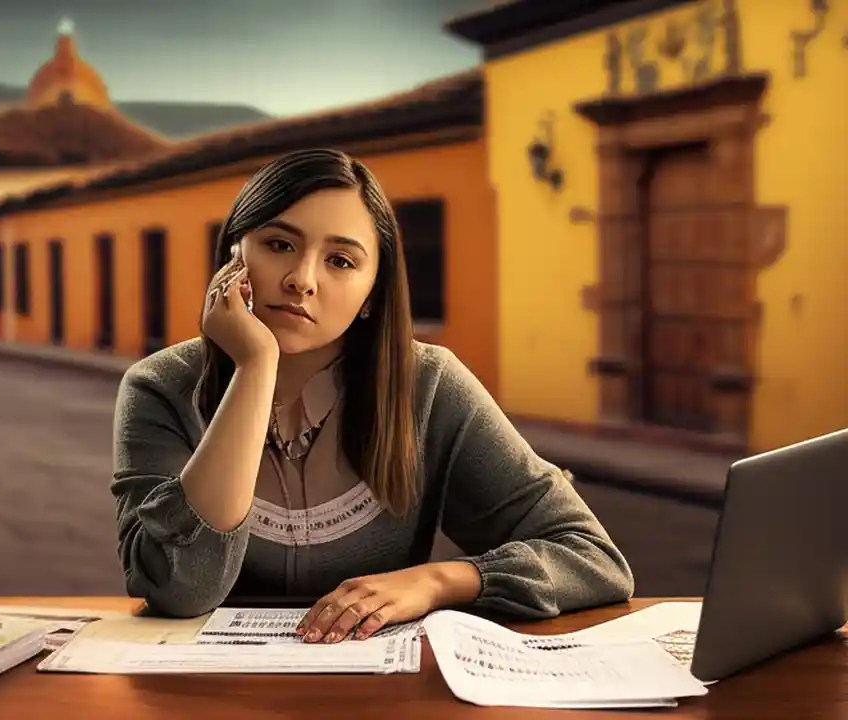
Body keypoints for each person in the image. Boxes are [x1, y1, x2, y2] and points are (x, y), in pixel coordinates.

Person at [110, 148, 634, 643]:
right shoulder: (159, 388)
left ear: (371, 295)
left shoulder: (428, 386)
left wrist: (436, 582)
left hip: (379, 692)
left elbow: (590, 558)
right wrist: (254, 366)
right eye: (278, 245)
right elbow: (181, 591)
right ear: (232, 257)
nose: (301, 279)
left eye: (340, 261)